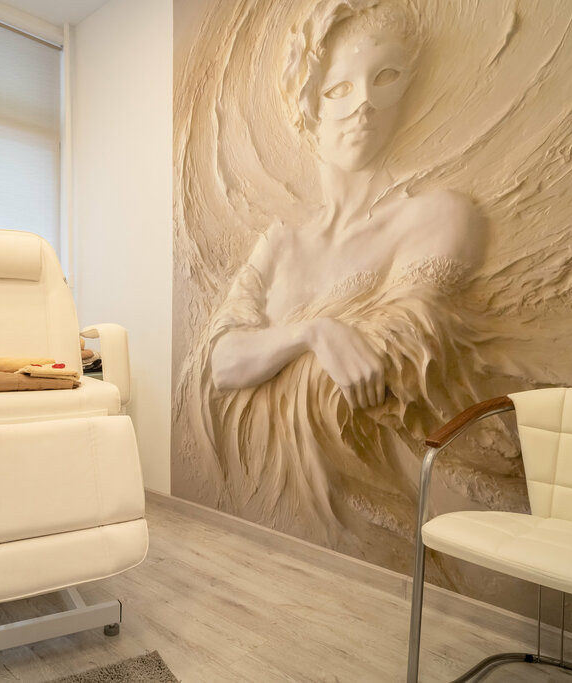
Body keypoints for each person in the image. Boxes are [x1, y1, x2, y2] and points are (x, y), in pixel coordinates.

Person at [181, 0, 503, 570]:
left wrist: (281, 345)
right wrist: (313, 333)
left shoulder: (437, 216)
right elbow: (222, 362)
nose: (364, 104)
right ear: (307, 107)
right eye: (339, 89)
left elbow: (385, 369)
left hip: (404, 526)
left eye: (386, 77)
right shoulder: (281, 243)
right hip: (283, 532)